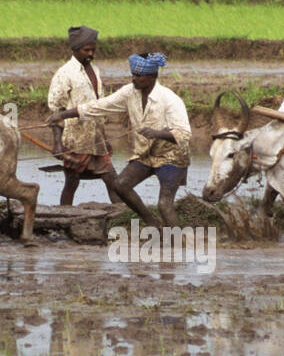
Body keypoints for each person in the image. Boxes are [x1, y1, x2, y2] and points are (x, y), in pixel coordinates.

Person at [46, 52, 190, 227]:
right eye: (133, 75)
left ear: (152, 76)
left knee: (164, 204)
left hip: (172, 157)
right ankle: (152, 223)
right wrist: (63, 115)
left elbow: (184, 134)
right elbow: (98, 107)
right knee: (120, 185)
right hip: (145, 155)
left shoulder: (170, 99)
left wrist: (157, 133)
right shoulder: (130, 92)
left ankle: (177, 244)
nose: (134, 79)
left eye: (139, 76)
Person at [46, 26, 122, 206]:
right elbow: (56, 112)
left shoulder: (94, 70)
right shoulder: (65, 73)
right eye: (86, 50)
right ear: (75, 49)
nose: (91, 53)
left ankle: (124, 216)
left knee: (112, 180)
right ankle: (64, 217)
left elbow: (99, 106)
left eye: (93, 50)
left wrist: (104, 138)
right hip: (75, 140)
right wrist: (57, 144)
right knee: (71, 183)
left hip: (95, 139)